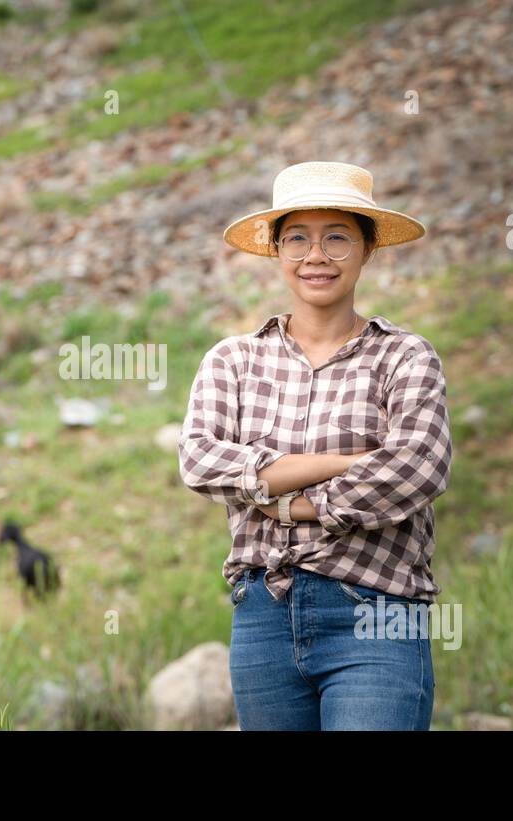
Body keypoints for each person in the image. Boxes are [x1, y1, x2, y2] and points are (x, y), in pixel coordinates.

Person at [178, 161, 453, 730]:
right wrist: (348, 463)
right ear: (277, 250)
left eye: (337, 237)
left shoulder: (404, 357)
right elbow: (200, 460)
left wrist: (289, 500)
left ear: (368, 248)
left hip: (377, 613)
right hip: (263, 617)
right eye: (298, 237)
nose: (316, 255)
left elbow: (417, 467)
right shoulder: (233, 360)